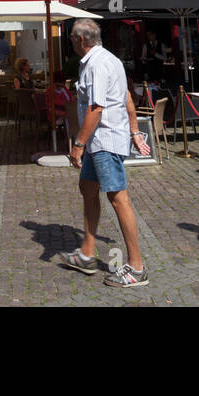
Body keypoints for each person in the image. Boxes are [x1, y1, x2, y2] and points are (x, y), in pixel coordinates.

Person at [58, 18, 148, 288]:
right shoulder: (109, 59)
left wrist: (78, 144)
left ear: (81, 40)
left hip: (104, 140)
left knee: (118, 197)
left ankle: (136, 267)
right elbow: (127, 98)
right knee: (87, 187)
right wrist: (133, 130)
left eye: (72, 38)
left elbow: (95, 109)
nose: (70, 42)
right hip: (102, 140)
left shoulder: (96, 64)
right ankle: (87, 253)